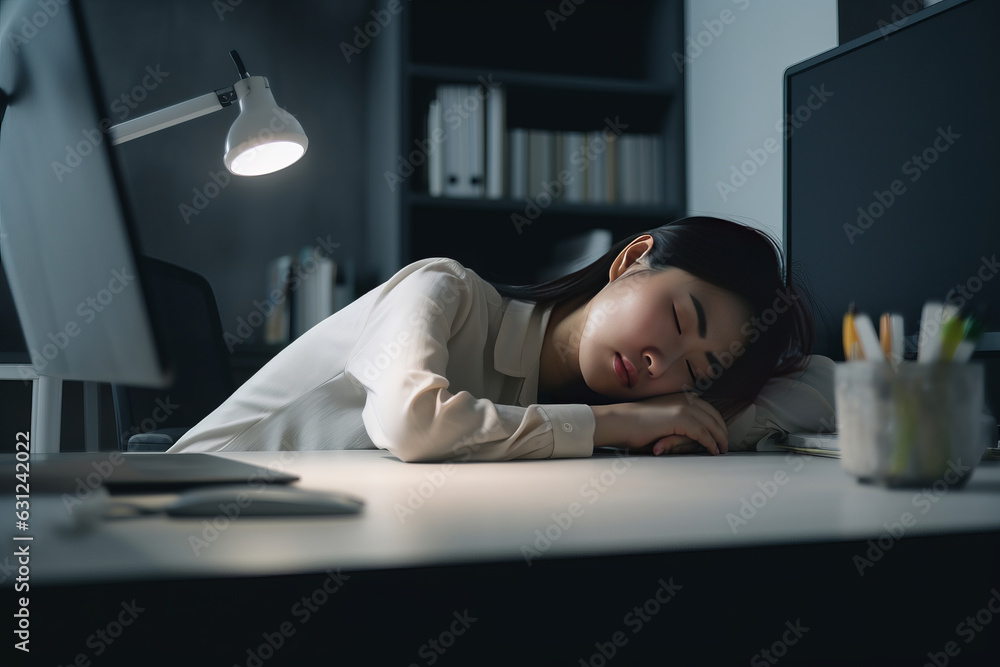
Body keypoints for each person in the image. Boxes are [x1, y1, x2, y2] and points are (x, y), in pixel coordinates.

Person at [168, 216, 835, 461]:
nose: (665, 364)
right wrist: (623, 421)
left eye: (696, 372)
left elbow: (817, 389)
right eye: (682, 320)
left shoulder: (551, 400)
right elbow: (411, 424)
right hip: (185, 519)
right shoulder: (444, 291)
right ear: (633, 258)